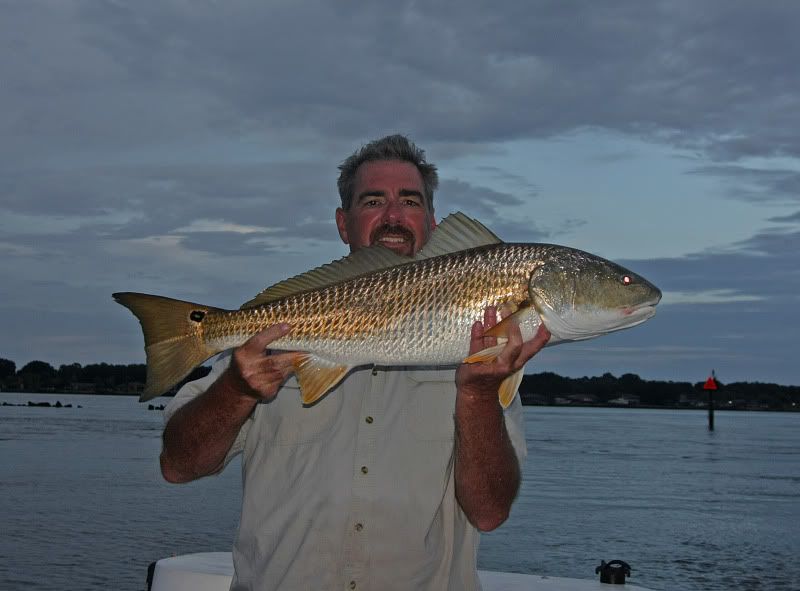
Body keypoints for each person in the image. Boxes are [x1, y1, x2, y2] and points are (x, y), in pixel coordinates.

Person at [160, 134, 551, 590]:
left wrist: (478, 394)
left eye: (410, 200)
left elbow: (489, 512)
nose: (393, 215)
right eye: (373, 201)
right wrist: (235, 390)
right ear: (344, 225)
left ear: (432, 221)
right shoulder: (267, 343)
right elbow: (178, 465)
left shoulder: (485, 350)